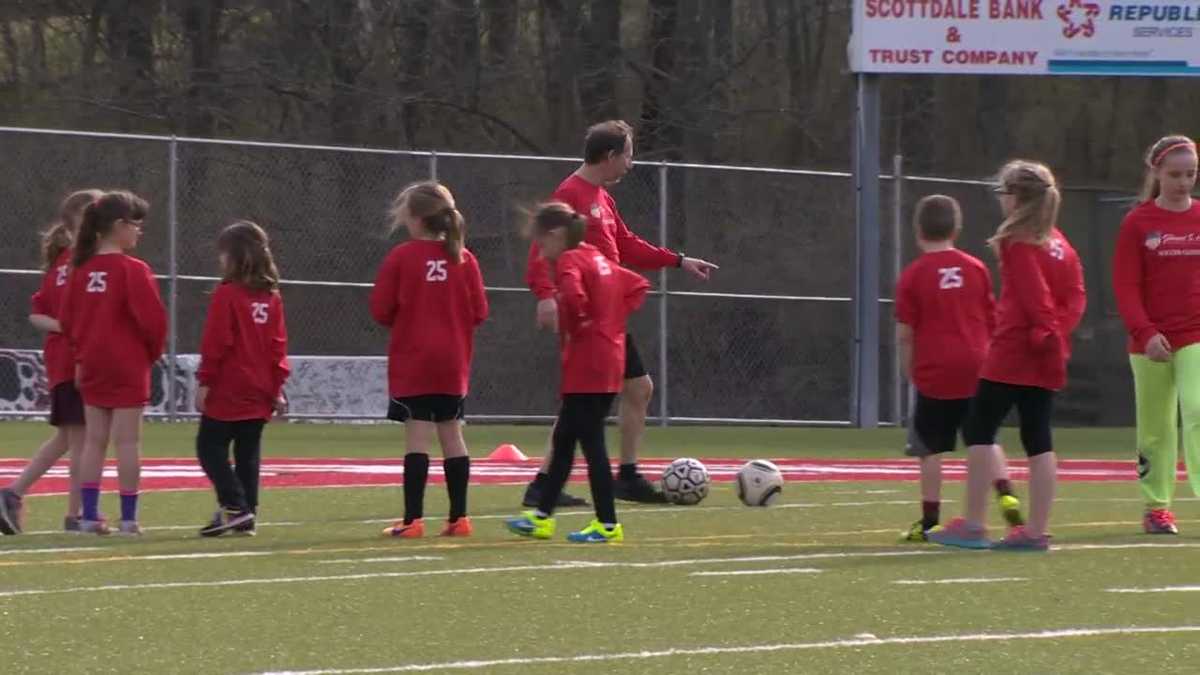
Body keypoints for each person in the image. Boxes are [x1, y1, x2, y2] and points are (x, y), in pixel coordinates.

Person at [523, 120, 718, 507]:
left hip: (607, 315)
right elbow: (539, 248)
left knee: (623, 392)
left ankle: (594, 479)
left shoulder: (602, 197)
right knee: (599, 399)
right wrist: (546, 294)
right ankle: (571, 483)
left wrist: (679, 261)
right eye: (627, 155)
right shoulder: (571, 192)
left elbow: (625, 245)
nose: (631, 164)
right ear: (609, 156)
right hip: (587, 315)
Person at [929, 160, 1086, 552]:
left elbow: (1036, 298)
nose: (1001, 199)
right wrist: (1057, 336)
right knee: (1038, 437)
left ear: (1017, 197)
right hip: (1047, 352)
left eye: (1004, 192)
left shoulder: (1019, 240)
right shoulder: (1060, 242)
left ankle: (974, 525)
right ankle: (1036, 530)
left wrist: (1043, 330)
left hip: (1017, 348)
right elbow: (1076, 297)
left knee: (979, 429)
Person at [507, 202, 650, 542]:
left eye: (542, 244)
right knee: (565, 439)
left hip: (588, 363)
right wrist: (611, 322)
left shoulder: (570, 260)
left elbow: (573, 293)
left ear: (556, 235)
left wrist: (582, 319)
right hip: (608, 358)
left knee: (592, 444)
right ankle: (542, 516)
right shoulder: (595, 256)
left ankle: (607, 524)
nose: (541, 253)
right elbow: (637, 286)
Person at [894, 194, 1022, 542]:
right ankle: (1006, 492)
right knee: (984, 438)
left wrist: (911, 373)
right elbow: (993, 320)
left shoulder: (912, 276)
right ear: (957, 228)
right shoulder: (975, 268)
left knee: (930, 448)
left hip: (936, 371)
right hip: (978, 367)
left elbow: (906, 334)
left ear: (918, 230)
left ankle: (930, 519)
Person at [370, 181, 488, 538]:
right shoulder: (464, 259)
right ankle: (459, 518)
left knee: (417, 437)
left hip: (414, 361)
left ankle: (413, 521)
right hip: (453, 362)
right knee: (452, 434)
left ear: (415, 217)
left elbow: (380, 310)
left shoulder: (402, 257)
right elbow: (479, 311)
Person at [58, 190, 166, 536]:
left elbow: (69, 320)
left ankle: (89, 516)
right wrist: (150, 355)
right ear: (119, 226)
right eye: (135, 225)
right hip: (127, 363)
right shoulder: (133, 270)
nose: (138, 232)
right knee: (128, 443)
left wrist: (81, 356)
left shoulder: (80, 268)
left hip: (91, 363)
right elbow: (153, 322)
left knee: (93, 442)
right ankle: (129, 519)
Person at [0, 189, 102, 535]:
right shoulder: (83, 263)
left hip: (64, 359)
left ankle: (12, 493)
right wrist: (71, 330)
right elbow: (45, 315)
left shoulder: (65, 261)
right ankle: (76, 516)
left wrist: (63, 327)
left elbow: (38, 314)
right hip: (75, 361)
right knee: (82, 442)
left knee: (67, 439)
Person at [1112, 135, 1200, 535]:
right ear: (1157, 174)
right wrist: (1145, 333)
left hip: (1195, 335)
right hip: (1148, 343)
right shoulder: (1138, 223)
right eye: (1175, 174)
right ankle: (1157, 507)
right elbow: (1125, 286)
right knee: (1155, 427)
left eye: (1191, 174)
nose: (1184, 182)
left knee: (1197, 408)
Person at [195, 221, 290, 537]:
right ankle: (244, 511)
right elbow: (278, 346)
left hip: (230, 386)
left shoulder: (228, 295)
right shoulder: (271, 297)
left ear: (233, 256)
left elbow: (217, 342)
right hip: (260, 387)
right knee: (248, 453)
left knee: (209, 447)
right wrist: (277, 388)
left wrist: (205, 382)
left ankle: (235, 506)